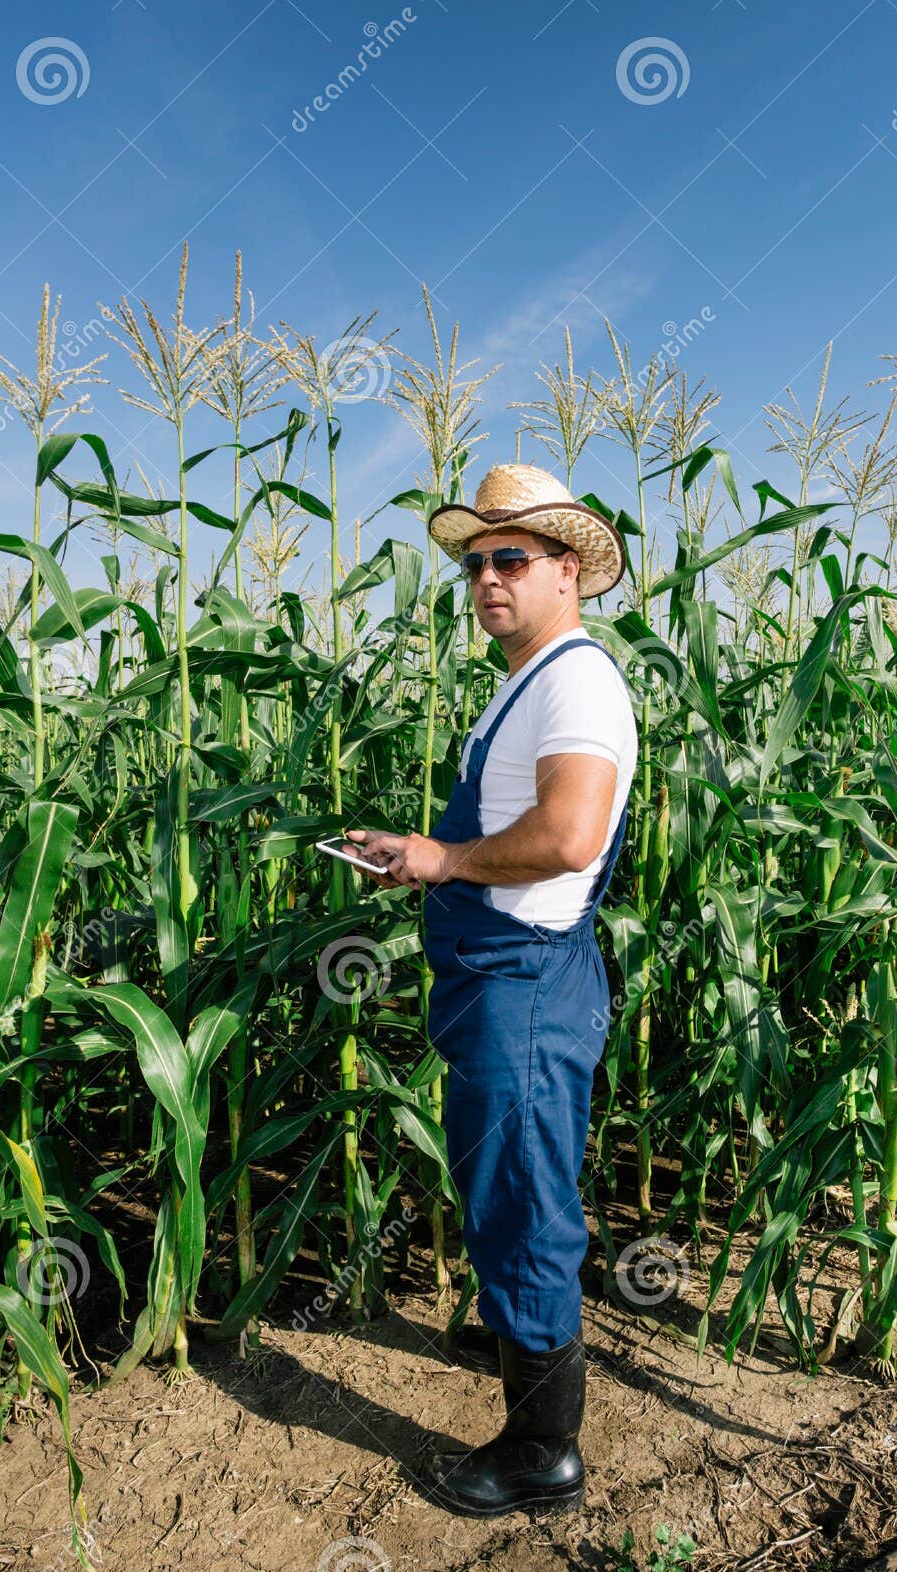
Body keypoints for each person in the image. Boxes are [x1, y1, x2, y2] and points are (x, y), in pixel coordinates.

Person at [342, 462, 638, 1517]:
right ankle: (524, 1343)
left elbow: (567, 836)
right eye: (474, 563)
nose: (485, 578)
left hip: (524, 983)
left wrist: (443, 862)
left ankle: (540, 1453)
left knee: (523, 1205)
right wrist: (422, 852)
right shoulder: (524, 682)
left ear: (567, 569)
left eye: (509, 558)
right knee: (510, 1186)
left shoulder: (575, 679)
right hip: (500, 981)